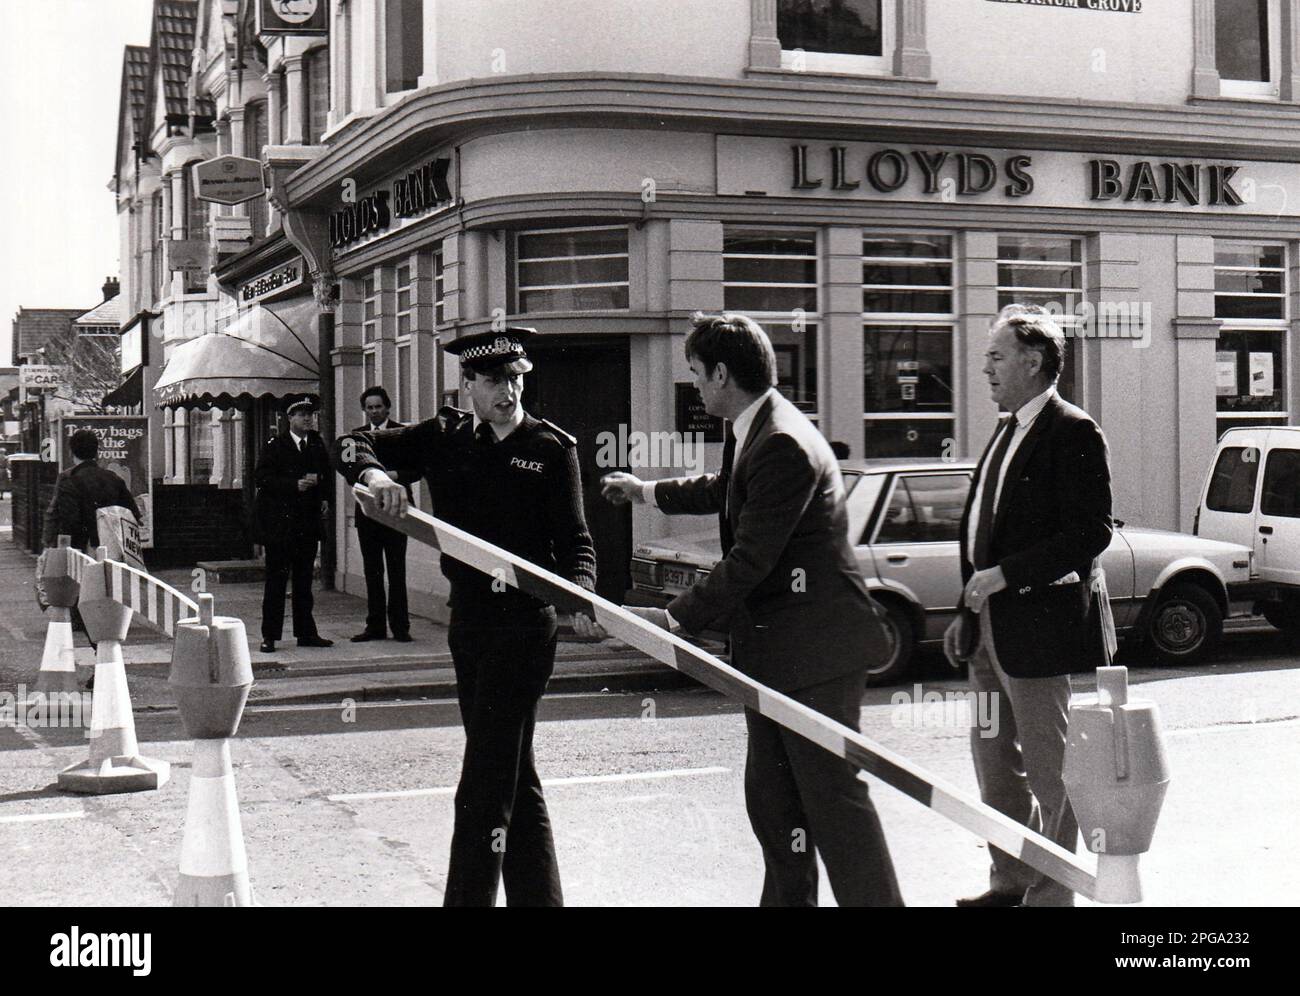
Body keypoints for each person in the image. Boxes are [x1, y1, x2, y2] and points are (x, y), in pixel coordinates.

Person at [601, 312, 903, 907]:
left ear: (720, 373)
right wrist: (646, 491)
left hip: (816, 654)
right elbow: (724, 487)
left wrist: (676, 617)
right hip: (778, 649)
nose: (694, 386)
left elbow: (751, 560)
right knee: (774, 803)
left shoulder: (784, 442)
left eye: (695, 373)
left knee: (832, 805)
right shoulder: (755, 426)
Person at [334, 327, 600, 907]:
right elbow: (351, 444)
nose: (507, 391)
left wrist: (581, 595)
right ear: (469, 384)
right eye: (493, 380)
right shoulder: (445, 435)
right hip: (470, 623)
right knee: (513, 776)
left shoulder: (552, 447)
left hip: (525, 627)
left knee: (482, 783)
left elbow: (576, 540)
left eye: (515, 378)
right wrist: (378, 476)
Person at [944, 304, 1114, 908]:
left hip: (1038, 626)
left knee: (1051, 772)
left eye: (995, 356)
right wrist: (969, 610)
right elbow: (985, 526)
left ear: (1033, 361)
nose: (985, 367)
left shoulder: (1073, 430)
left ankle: (1051, 895)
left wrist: (1004, 576)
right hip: (989, 625)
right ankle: (1011, 880)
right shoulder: (1006, 426)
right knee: (995, 768)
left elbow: (1088, 532)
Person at [253, 397, 335, 654]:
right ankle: (270, 636)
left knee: (304, 581)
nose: (307, 418)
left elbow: (326, 476)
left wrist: (323, 498)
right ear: (289, 418)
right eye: (301, 414)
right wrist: (292, 485)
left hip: (307, 524)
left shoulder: (317, 444)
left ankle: (306, 632)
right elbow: (262, 478)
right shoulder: (275, 445)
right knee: (276, 582)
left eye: (310, 414)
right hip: (280, 525)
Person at [350, 386, 412, 643]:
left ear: (388, 407)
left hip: (397, 512)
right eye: (370, 407)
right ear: (364, 410)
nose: (374, 411)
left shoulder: (403, 433)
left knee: (397, 570)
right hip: (369, 512)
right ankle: (375, 626)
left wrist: (391, 476)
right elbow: (351, 470)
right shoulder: (357, 437)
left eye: (378, 406)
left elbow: (415, 469)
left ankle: (400, 627)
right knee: (372, 571)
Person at [43, 428, 141, 553]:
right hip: (114, 548)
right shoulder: (114, 478)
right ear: (97, 453)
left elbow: (62, 518)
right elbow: (133, 514)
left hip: (81, 549)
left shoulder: (67, 480)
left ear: (71, 452)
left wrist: (48, 546)